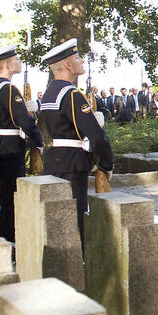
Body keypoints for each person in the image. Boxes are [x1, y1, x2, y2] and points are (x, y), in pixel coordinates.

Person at [37, 40, 108, 235]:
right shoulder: (71, 94)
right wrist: (105, 164)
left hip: (55, 159)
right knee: (76, 220)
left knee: (57, 219)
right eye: (77, 57)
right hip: (73, 161)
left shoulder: (50, 92)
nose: (82, 60)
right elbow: (97, 136)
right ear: (68, 65)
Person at [0, 45, 44, 243]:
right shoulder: (8, 88)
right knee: (12, 198)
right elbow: (23, 120)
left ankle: (6, 235)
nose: (19, 63)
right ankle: (11, 239)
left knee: (6, 195)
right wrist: (38, 141)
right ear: (8, 65)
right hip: (10, 146)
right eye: (16, 60)